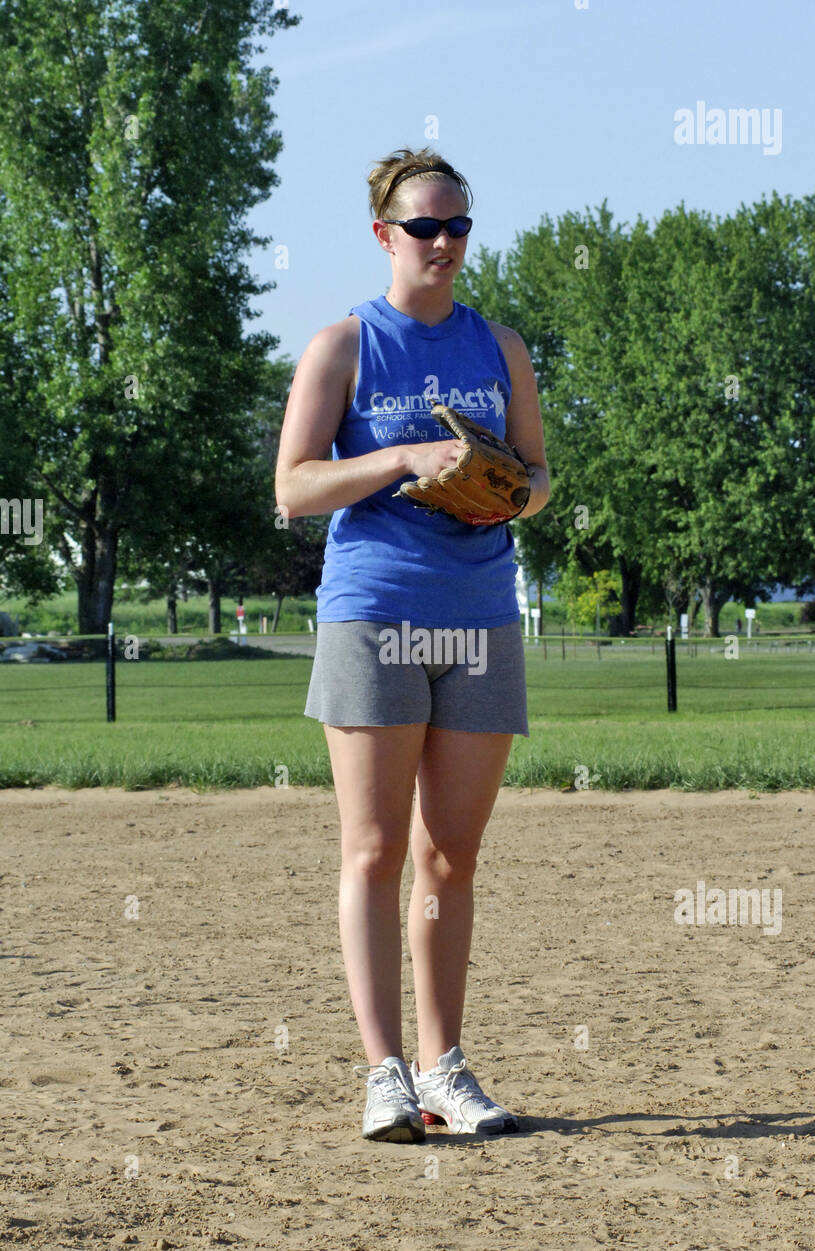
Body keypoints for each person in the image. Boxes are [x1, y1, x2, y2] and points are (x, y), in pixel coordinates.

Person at [274, 147, 550, 1142]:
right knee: (377, 848)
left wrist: (505, 493)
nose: (444, 243)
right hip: (375, 608)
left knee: (450, 856)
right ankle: (382, 1073)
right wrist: (400, 459)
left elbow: (539, 476)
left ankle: (446, 1069)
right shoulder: (343, 346)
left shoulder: (500, 346)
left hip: (477, 611)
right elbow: (293, 487)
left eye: (458, 226)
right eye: (425, 227)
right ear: (383, 235)